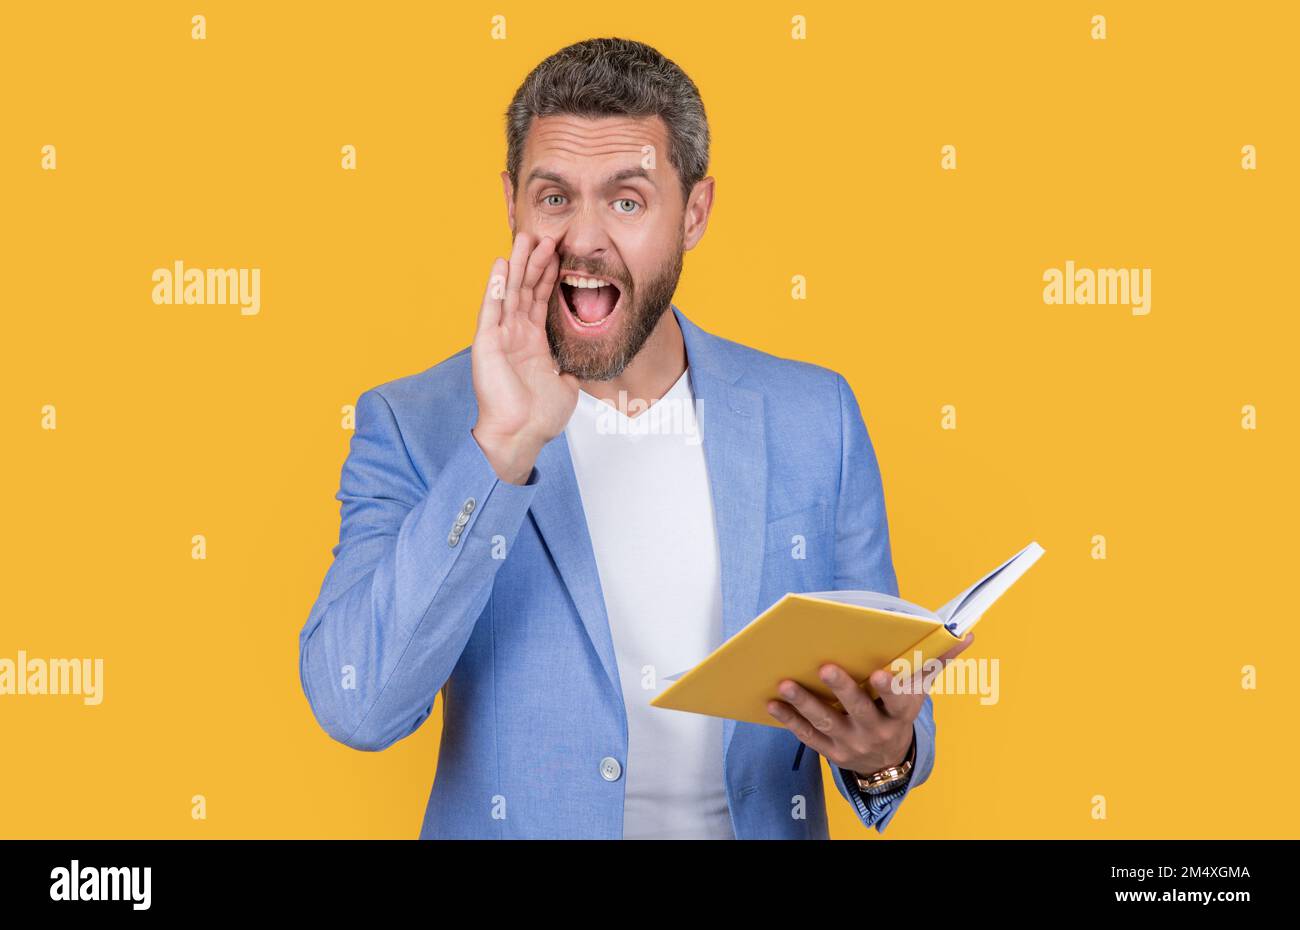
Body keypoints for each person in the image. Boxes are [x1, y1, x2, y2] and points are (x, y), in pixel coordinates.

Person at [298, 36, 971, 839]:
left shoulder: (813, 415)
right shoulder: (415, 424)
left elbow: (889, 696)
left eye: (626, 200)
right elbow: (356, 703)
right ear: (512, 202)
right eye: (554, 198)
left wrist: (886, 750)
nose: (584, 239)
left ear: (694, 213)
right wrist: (501, 450)